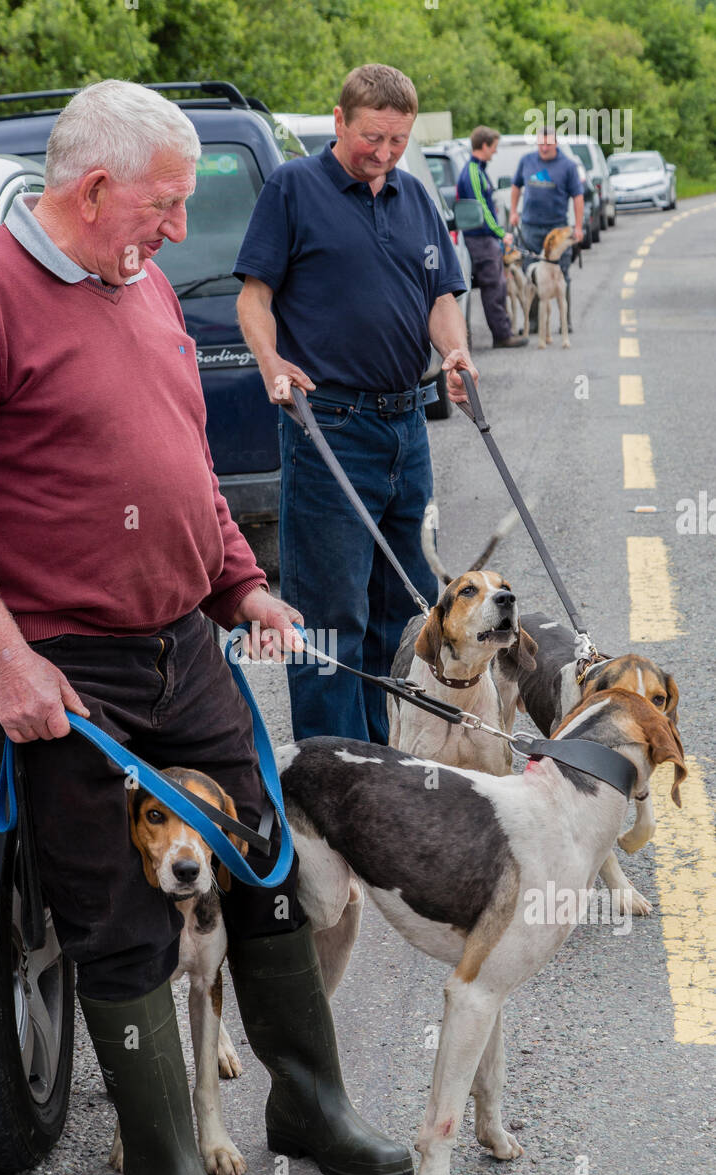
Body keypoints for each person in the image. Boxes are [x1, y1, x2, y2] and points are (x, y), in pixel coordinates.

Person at [0, 80, 412, 1175]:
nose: (180, 232)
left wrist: (238, 583)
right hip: (66, 668)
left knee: (265, 863)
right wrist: (2, 654)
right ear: (93, 186)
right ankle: (163, 1170)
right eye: (166, 206)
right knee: (119, 924)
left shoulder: (143, 286)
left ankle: (306, 1105)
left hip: (183, 646)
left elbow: (187, 468)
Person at [234, 64, 477, 745]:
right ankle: (332, 778)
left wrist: (454, 352)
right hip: (330, 427)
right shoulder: (293, 188)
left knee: (402, 607)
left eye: (398, 140)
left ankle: (386, 764)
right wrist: (270, 361)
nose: (385, 153)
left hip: (408, 428)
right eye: (373, 136)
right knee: (331, 613)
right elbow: (253, 298)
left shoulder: (415, 196)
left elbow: (441, 297)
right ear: (339, 120)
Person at [456, 126, 528, 349]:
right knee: (494, 287)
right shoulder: (473, 172)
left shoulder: (479, 170)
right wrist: (500, 233)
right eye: (494, 148)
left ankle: (504, 330)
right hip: (481, 240)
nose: (495, 153)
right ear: (484, 146)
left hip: (486, 239)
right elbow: (481, 208)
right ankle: (502, 335)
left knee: (498, 285)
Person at [510, 127, 583, 285]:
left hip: (557, 228)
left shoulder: (568, 166)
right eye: (541, 144)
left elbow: (578, 196)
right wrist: (513, 212)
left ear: (556, 143)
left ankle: (564, 308)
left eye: (548, 144)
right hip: (530, 226)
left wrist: (578, 226)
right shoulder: (526, 160)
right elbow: (516, 186)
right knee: (531, 273)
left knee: (560, 273)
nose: (544, 148)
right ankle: (534, 308)